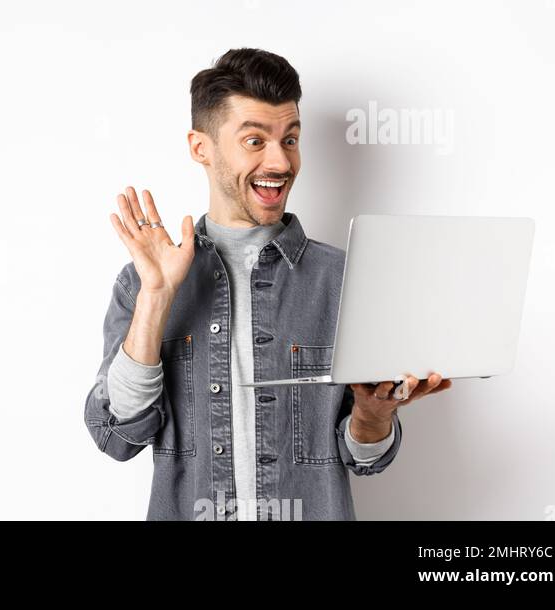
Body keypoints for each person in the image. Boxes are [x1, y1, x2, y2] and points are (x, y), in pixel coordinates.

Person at [83, 48, 453, 520]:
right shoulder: (143, 282)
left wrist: (374, 416)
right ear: (202, 148)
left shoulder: (345, 281)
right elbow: (116, 435)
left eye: (291, 139)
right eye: (255, 141)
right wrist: (156, 298)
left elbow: (366, 458)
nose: (280, 162)